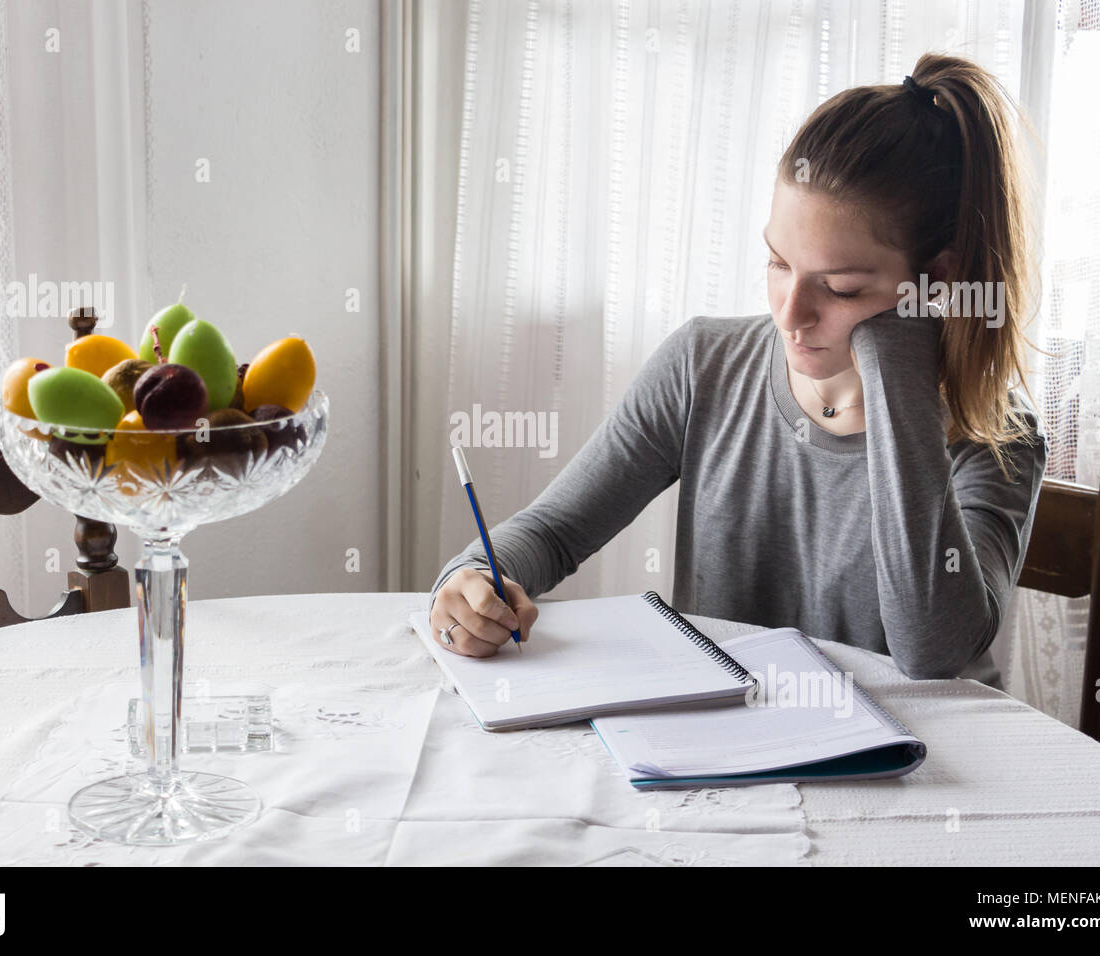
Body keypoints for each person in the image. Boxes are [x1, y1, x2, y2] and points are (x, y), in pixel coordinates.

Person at [427, 53, 1047, 689]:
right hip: (729, 738)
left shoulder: (999, 435)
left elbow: (932, 652)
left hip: (918, 748)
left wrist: (899, 362)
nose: (789, 314)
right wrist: (473, 580)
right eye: (778, 262)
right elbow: (555, 532)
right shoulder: (704, 365)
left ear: (935, 280)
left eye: (839, 288)